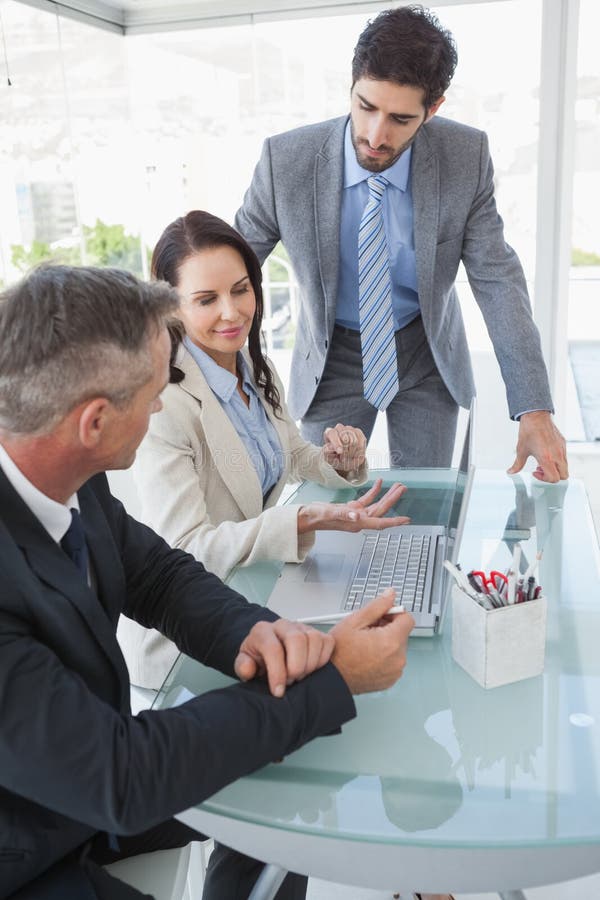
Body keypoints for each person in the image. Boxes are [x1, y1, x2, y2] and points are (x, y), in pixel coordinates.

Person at [0, 264, 415, 900]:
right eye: (152, 390)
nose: (163, 402)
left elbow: (158, 576)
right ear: (94, 423)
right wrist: (332, 679)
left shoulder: (74, 472)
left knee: (283, 754)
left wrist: (255, 632)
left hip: (83, 790)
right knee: (280, 727)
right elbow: (121, 774)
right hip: (26, 846)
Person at [234, 3, 569, 484]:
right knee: (326, 502)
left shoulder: (465, 157)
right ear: (351, 87)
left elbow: (497, 278)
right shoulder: (285, 160)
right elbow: (232, 262)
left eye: (399, 118)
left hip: (424, 349)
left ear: (432, 110)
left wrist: (534, 408)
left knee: (426, 499)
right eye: (365, 106)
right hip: (334, 354)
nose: (375, 135)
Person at [120, 210, 410, 690]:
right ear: (172, 308)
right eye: (207, 299)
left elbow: (292, 455)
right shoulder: (163, 403)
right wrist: (297, 522)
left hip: (247, 599)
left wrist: (342, 458)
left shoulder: (255, 365)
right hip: (182, 649)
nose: (232, 312)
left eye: (240, 289)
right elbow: (185, 552)